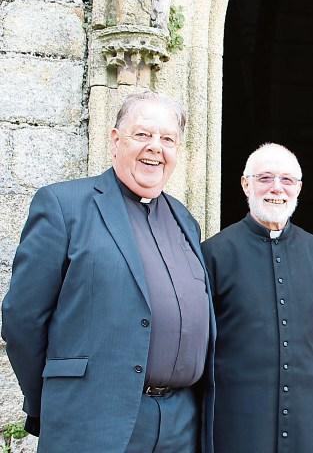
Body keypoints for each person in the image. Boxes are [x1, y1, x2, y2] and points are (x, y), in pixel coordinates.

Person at [2, 91, 215, 453]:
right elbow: (22, 319)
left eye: (167, 139)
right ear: (115, 140)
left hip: (181, 424)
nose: (155, 148)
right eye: (142, 135)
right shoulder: (63, 206)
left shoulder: (185, 220)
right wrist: (60, 398)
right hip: (93, 422)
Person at [201, 142, 313, 453]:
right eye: (265, 178)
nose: (277, 188)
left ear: (299, 188)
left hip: (308, 418)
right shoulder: (215, 253)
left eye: (287, 180)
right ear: (245, 184)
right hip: (239, 418)